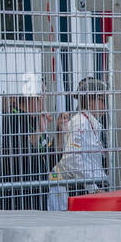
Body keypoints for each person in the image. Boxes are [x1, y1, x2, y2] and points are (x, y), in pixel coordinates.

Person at [48, 77, 108, 211]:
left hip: (89, 188)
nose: (106, 105)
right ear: (91, 101)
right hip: (78, 191)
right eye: (103, 100)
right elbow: (72, 159)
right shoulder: (81, 122)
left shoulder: (91, 123)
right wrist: (93, 188)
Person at [0, 94, 58, 209]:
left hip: (37, 192)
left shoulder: (34, 120)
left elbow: (48, 160)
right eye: (41, 94)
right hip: (21, 197)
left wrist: (59, 132)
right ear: (32, 97)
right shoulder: (12, 118)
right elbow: (21, 153)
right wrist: (39, 132)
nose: (44, 99)